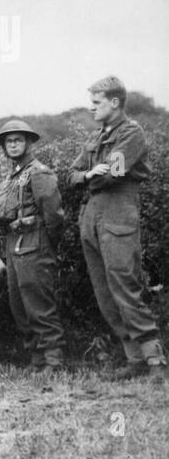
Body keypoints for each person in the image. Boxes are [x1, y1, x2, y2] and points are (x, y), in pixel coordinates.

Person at [69, 76, 165, 380]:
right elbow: (70, 175)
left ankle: (155, 362)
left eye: (96, 102)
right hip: (92, 214)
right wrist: (87, 175)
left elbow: (111, 175)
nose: (92, 108)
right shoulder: (97, 136)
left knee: (126, 286)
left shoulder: (131, 133)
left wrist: (92, 174)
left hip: (118, 211)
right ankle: (134, 359)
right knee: (104, 292)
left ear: (114, 102)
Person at [0, 120, 65, 371]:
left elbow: (54, 215)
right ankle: (37, 358)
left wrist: (46, 243)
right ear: (4, 147)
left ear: (29, 143)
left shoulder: (39, 172)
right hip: (15, 244)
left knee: (39, 303)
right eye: (9, 141)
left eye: (19, 140)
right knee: (19, 304)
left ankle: (53, 360)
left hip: (34, 243)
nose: (14, 144)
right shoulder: (14, 175)